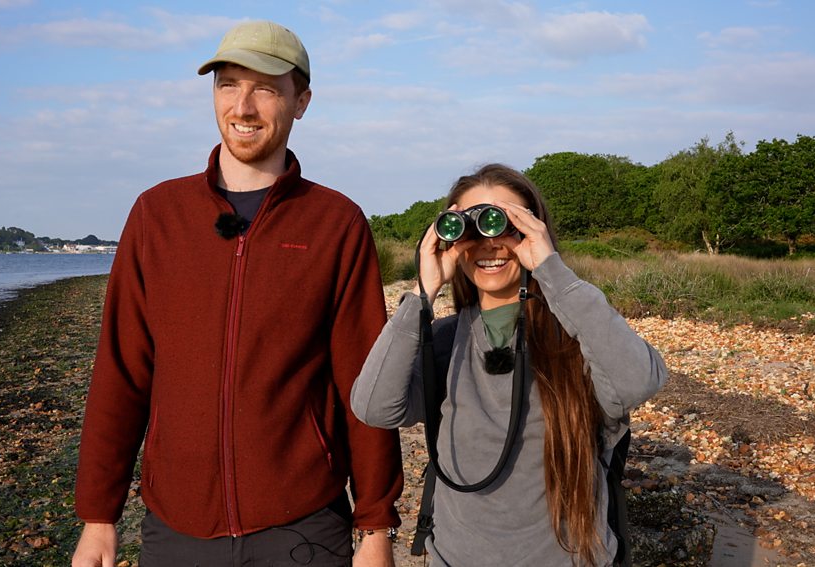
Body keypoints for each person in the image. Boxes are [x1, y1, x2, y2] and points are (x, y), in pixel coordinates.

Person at [71, 20, 403, 567]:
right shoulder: (158, 215)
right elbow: (121, 371)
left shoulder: (335, 223)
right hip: (178, 526)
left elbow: (361, 381)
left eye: (266, 89)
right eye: (228, 84)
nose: (243, 107)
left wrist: (375, 525)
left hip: (304, 524)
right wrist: (99, 518)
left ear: (302, 102)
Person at [351, 164, 668, 566]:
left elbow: (638, 380)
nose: (489, 243)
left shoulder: (576, 337)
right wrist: (422, 294)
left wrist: (552, 270)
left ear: (534, 230)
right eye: (472, 228)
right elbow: (374, 407)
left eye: (504, 223)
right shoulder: (445, 340)